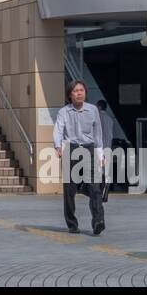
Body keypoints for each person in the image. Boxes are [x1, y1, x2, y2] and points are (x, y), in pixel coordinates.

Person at [54, 80, 106, 236]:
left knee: (95, 187)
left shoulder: (93, 110)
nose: (79, 93)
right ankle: (71, 223)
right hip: (71, 150)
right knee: (69, 190)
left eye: (82, 90)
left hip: (89, 149)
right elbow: (58, 130)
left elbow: (98, 134)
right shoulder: (64, 112)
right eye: (75, 91)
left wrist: (100, 154)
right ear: (70, 95)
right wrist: (58, 146)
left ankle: (98, 221)